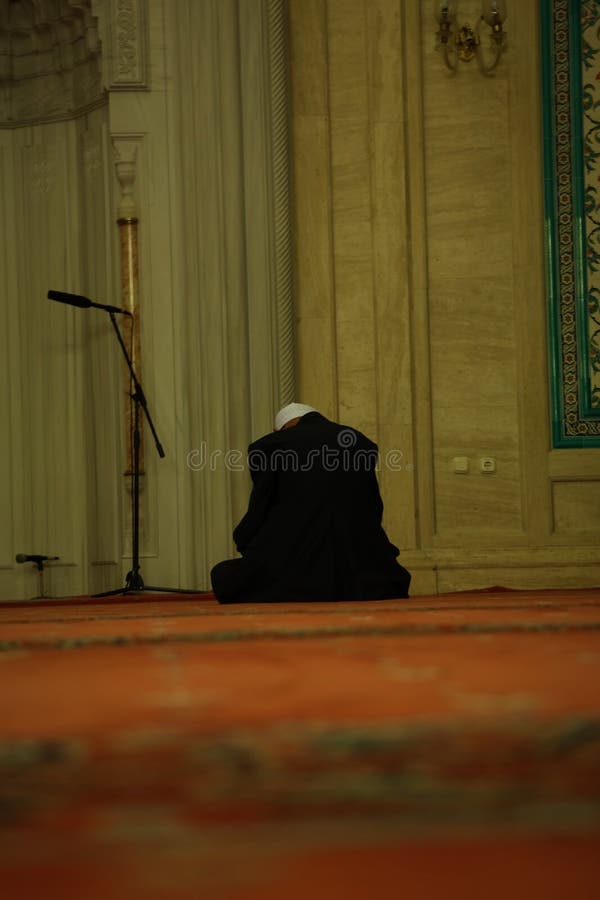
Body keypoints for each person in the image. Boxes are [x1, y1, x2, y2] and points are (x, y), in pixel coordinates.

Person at [210, 403, 411, 603]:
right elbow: (372, 506)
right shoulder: (360, 442)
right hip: (358, 569)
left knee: (223, 575)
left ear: (281, 428)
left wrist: (244, 540)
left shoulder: (270, 446)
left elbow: (261, 509)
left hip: (296, 559)